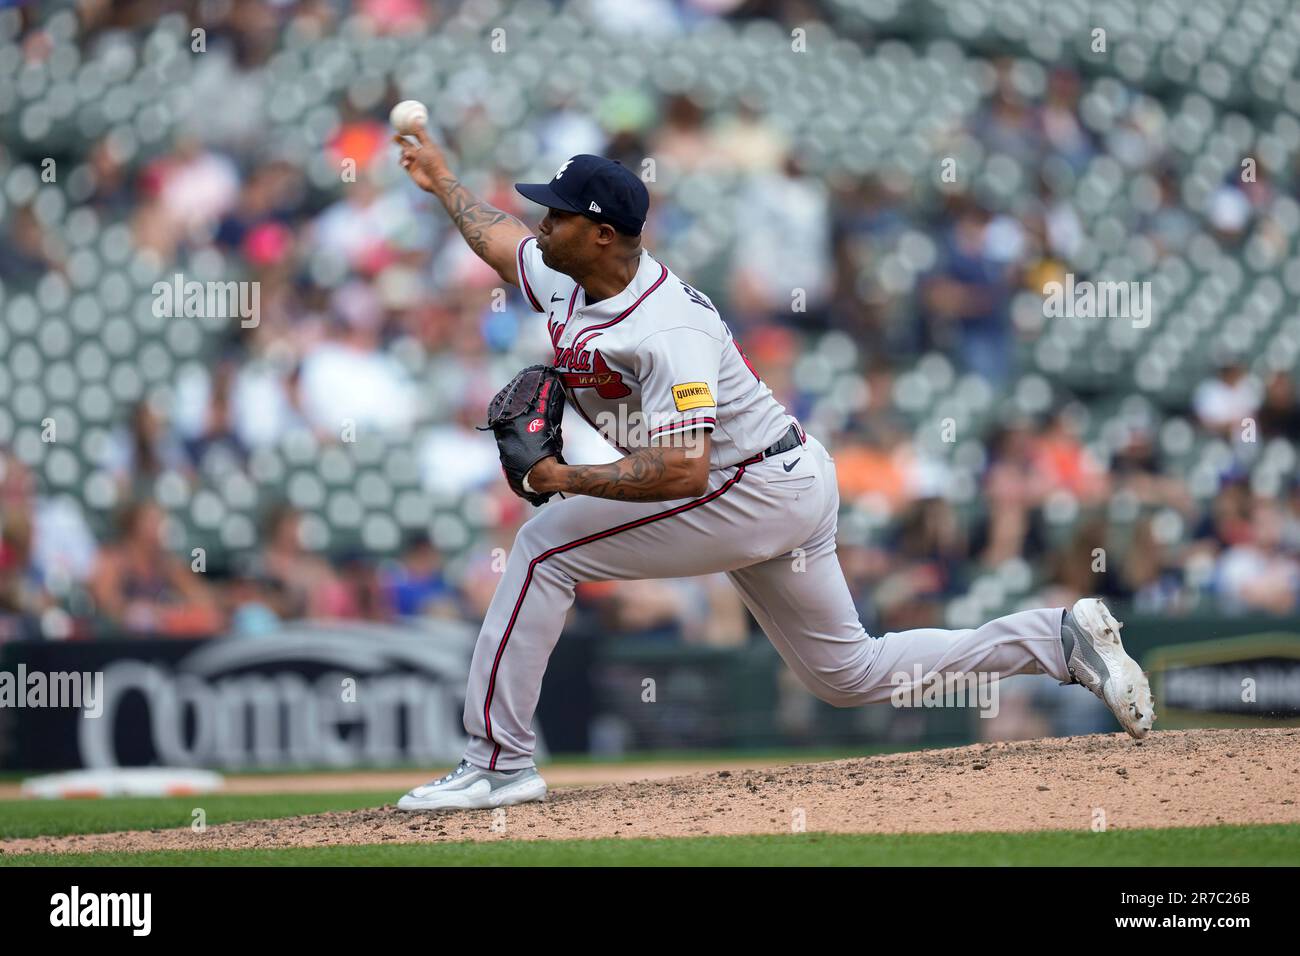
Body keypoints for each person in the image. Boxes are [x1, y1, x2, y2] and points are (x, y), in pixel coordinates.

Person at [390, 125, 1155, 812]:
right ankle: (1058, 640)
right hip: (776, 480)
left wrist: (563, 480)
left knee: (542, 547)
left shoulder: (669, 329)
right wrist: (442, 176)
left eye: (556, 213)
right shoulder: (566, 273)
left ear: (599, 233)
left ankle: (498, 763)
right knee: (846, 675)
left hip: (747, 485)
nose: (540, 222)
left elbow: (685, 473)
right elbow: (495, 237)